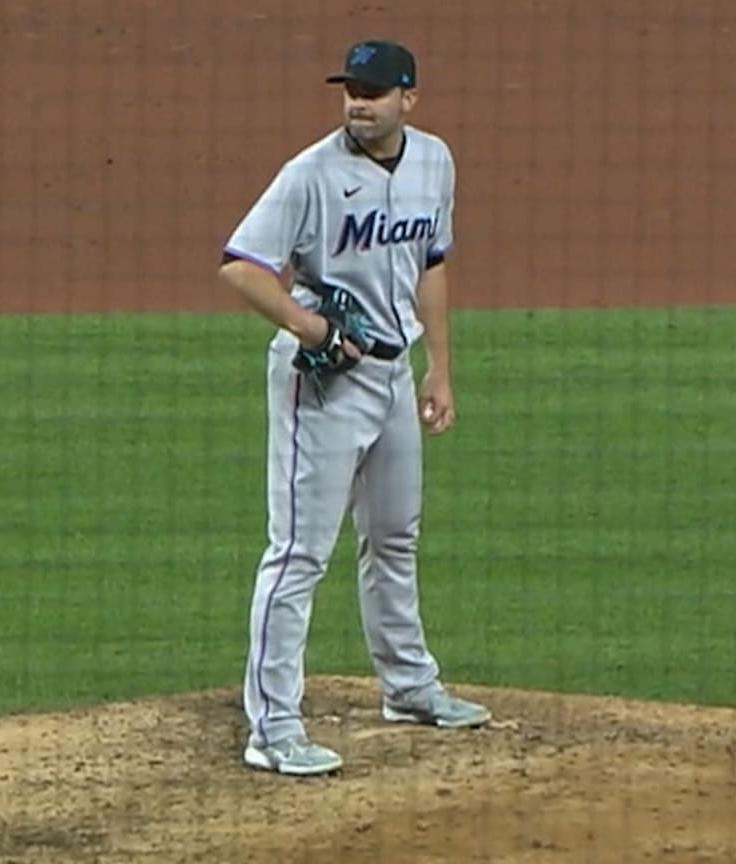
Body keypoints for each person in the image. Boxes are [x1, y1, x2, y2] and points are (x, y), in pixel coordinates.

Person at [216, 38, 491, 777]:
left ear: (410, 98)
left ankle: (408, 687)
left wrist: (440, 367)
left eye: (373, 91)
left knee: (395, 536)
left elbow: (430, 265)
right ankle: (271, 727)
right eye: (351, 90)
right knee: (299, 552)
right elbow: (241, 265)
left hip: (394, 374)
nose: (358, 103)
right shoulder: (310, 175)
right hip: (324, 383)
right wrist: (311, 328)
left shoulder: (435, 161)